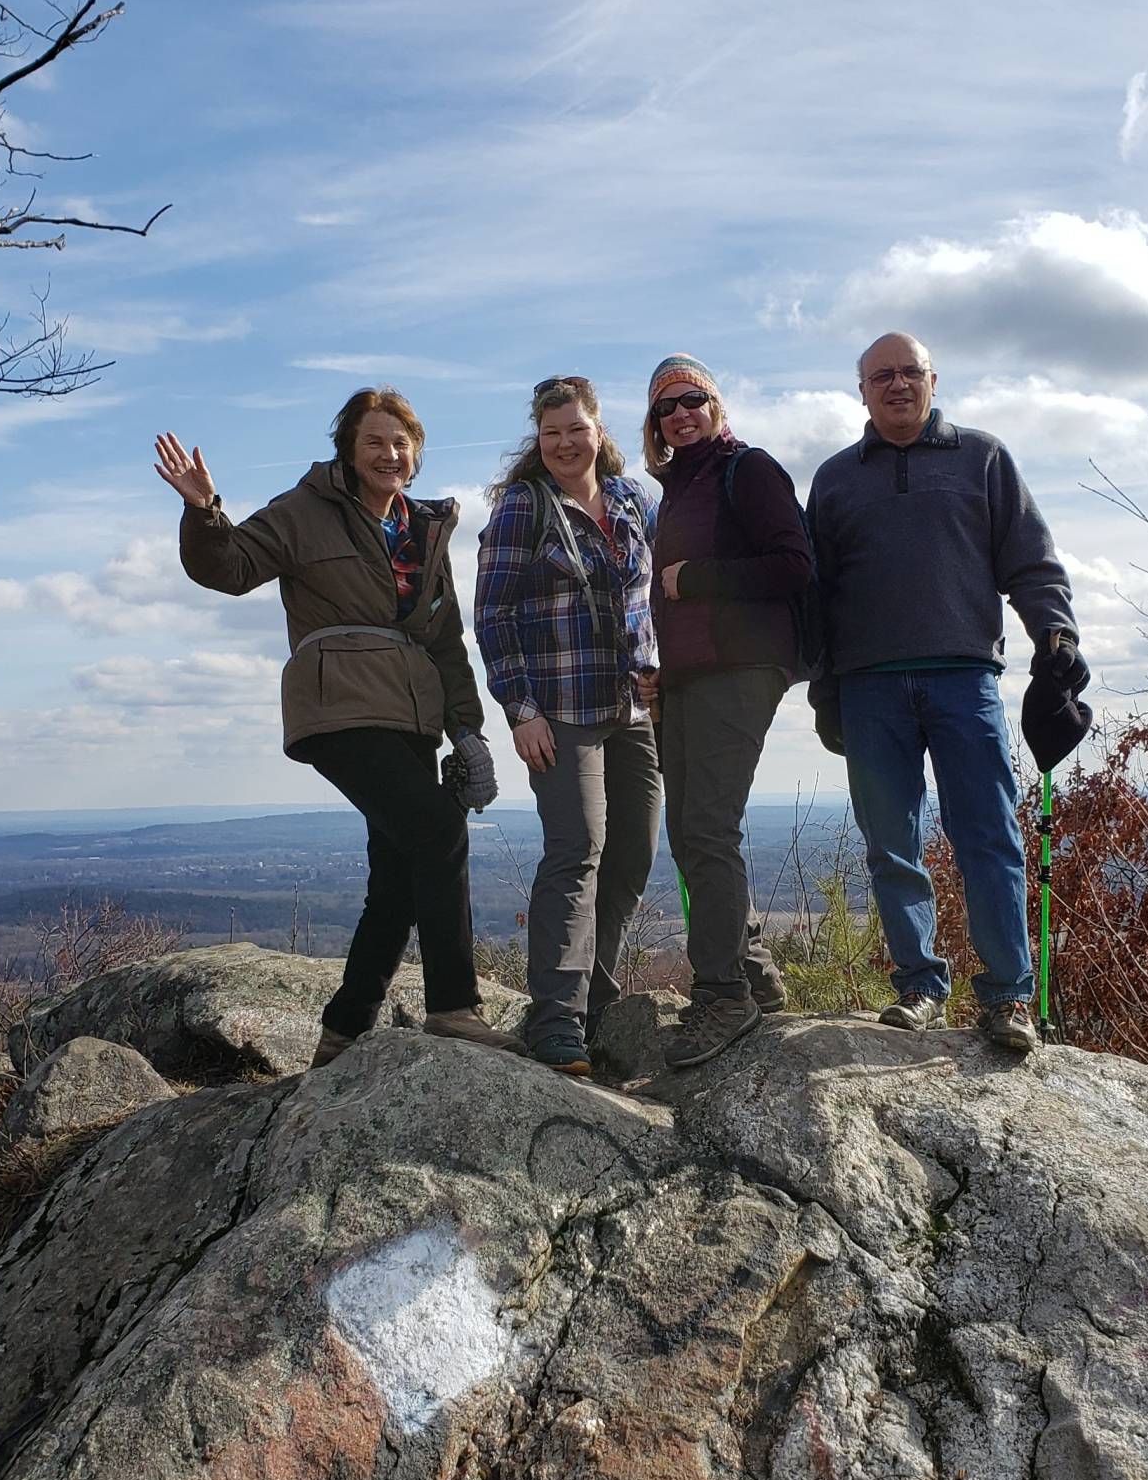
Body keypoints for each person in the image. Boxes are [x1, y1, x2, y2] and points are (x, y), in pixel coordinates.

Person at [152, 390, 522, 1066]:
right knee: (439, 828)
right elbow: (227, 568)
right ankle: (454, 1009)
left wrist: (467, 731)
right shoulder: (305, 511)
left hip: (412, 712)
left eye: (402, 442)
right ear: (349, 450)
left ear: (417, 452)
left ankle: (342, 1032)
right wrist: (204, 510)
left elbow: (446, 640)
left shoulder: (425, 529)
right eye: (375, 441)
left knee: (401, 874)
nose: (390, 454)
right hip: (339, 704)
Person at [805, 332, 1085, 1055]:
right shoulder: (835, 480)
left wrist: (1055, 636)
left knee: (989, 836)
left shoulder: (982, 458)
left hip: (965, 678)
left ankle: (1007, 999)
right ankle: (920, 988)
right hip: (868, 686)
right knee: (891, 843)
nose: (896, 385)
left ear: (933, 381)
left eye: (909, 373)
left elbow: (1032, 563)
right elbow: (817, 600)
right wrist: (824, 693)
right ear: (860, 391)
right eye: (881, 377)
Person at [471, 377, 663, 1075]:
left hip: (631, 707)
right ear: (538, 437)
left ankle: (596, 1001)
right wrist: (519, 710)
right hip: (558, 708)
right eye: (550, 432)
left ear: (599, 429)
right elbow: (492, 617)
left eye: (575, 429)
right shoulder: (523, 507)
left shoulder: (632, 498)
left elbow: (653, 597)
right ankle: (555, 1019)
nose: (562, 443)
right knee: (577, 847)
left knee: (634, 854)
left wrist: (660, 667)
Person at [642, 354, 813, 1069]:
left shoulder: (751, 469)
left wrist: (697, 578)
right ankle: (755, 979)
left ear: (717, 406)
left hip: (739, 671)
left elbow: (796, 565)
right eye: (666, 408)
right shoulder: (678, 488)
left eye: (693, 400)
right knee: (689, 832)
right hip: (686, 678)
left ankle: (721, 996)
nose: (681, 414)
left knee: (707, 827)